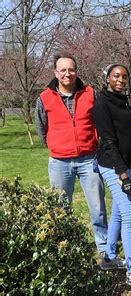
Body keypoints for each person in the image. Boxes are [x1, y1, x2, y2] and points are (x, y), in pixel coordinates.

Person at [34, 53, 107, 256]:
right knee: (60, 207)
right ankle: (65, 245)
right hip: (59, 161)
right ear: (56, 73)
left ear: (76, 71)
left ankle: (103, 246)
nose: (68, 74)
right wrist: (54, 144)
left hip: (88, 159)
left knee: (97, 205)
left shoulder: (90, 93)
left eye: (71, 69)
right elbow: (41, 127)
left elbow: (100, 122)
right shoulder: (44, 98)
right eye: (63, 70)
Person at [92, 64, 131, 288]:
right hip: (112, 165)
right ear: (107, 78)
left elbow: (126, 132)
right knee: (129, 214)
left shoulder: (123, 100)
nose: (121, 79)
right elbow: (108, 141)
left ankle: (108, 258)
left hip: (128, 163)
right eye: (116, 76)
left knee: (119, 212)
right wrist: (122, 174)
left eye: (125, 76)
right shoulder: (101, 103)